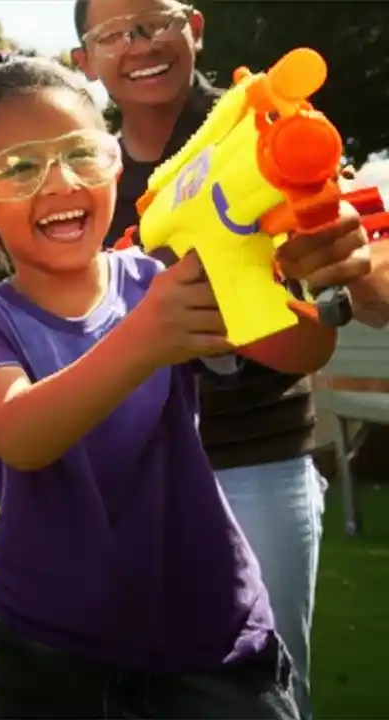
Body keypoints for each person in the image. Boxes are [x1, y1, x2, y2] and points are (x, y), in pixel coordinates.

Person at [0, 47, 369, 718]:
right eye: (17, 168)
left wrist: (305, 264)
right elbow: (20, 432)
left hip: (209, 637)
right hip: (45, 651)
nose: (59, 183)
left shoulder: (158, 276)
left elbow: (300, 347)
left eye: (81, 153)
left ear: (113, 163)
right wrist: (146, 336)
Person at [70, 3, 376, 716]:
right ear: (84, 61)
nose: (140, 44)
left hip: (260, 459)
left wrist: (352, 263)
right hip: (132, 476)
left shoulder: (260, 123)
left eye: (158, 21)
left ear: (196, 27)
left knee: (271, 691)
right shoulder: (85, 168)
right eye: (114, 34)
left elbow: (366, 267)